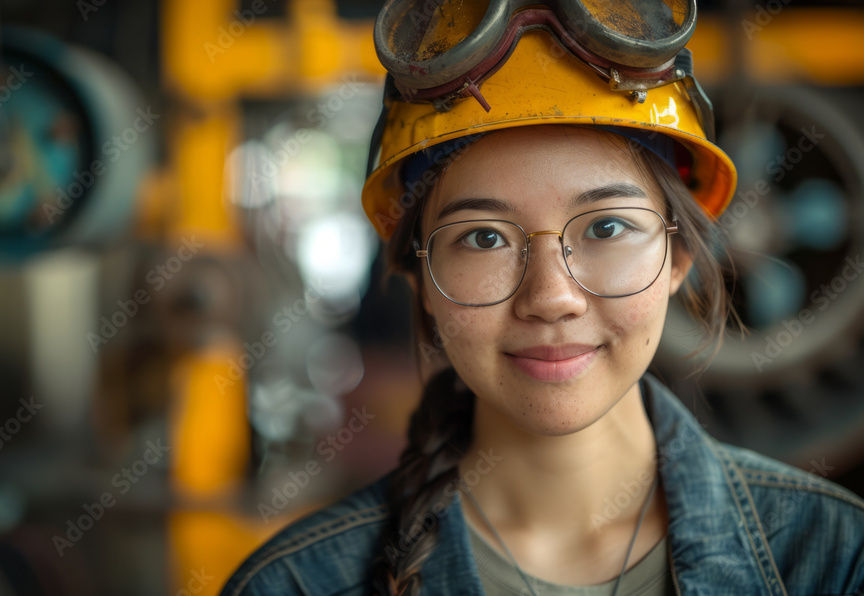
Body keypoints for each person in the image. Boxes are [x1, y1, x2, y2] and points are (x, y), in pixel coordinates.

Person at [222, 1, 864, 594]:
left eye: (607, 228)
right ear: (419, 279)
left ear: (681, 258)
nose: (552, 297)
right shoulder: (297, 584)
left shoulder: (836, 558)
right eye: (482, 238)